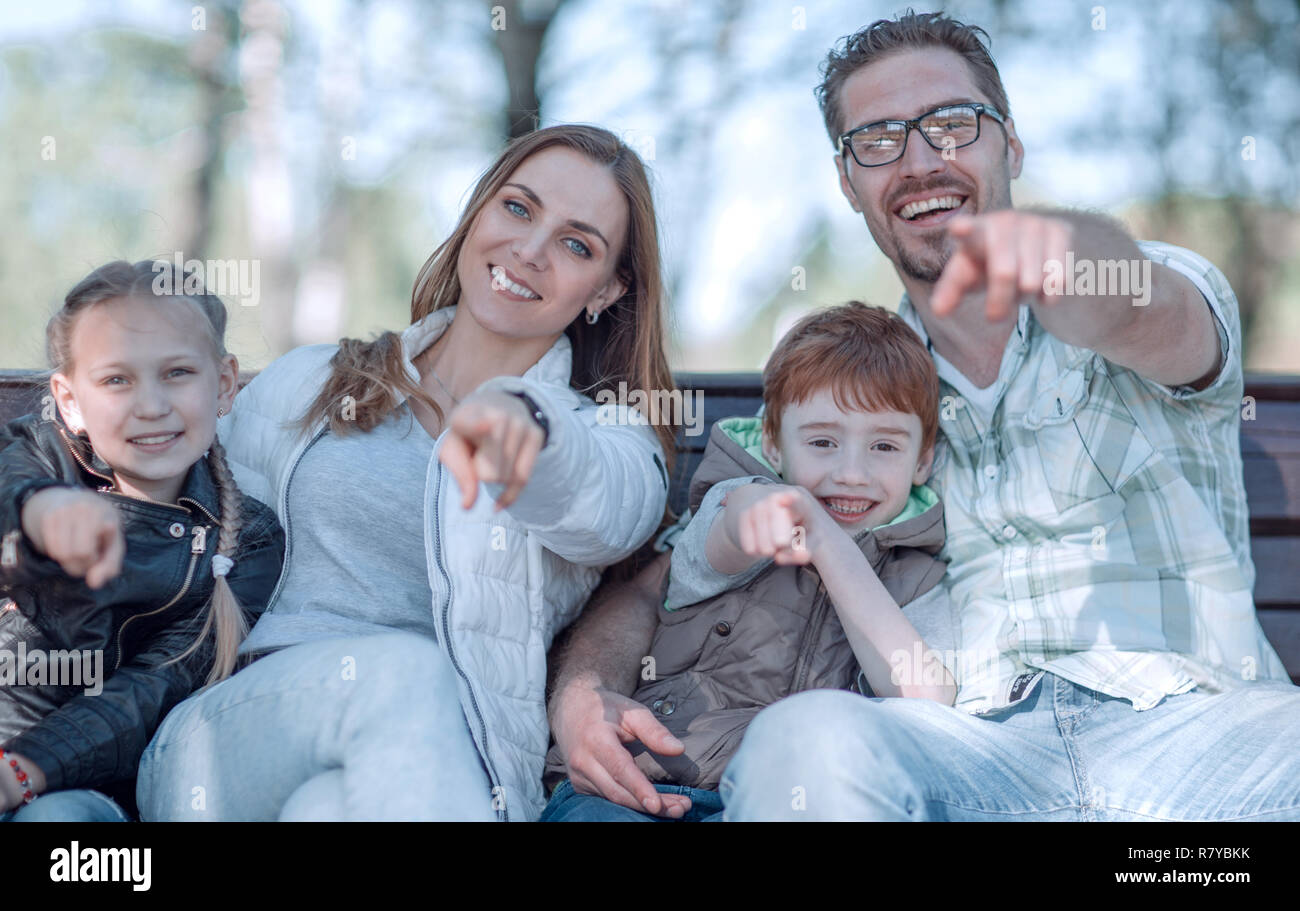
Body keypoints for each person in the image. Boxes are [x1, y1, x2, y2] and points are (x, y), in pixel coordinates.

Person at [546, 11, 1300, 822]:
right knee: (808, 740)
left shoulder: (1140, 288)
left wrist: (1068, 263)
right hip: (966, 752)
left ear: (1010, 147)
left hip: (1205, 733)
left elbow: (1150, 315)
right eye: (877, 140)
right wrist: (586, 687)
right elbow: (670, 574)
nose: (918, 160)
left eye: (951, 124)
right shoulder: (851, 382)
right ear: (848, 182)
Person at [136, 124, 674, 822]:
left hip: (439, 775)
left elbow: (605, 505)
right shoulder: (314, 381)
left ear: (607, 289)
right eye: (517, 208)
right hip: (230, 739)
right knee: (406, 673)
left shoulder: (609, 440)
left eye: (577, 244)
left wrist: (527, 425)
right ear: (477, 212)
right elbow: (175, 502)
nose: (531, 250)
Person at [541, 302, 960, 821]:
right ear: (773, 445)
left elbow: (926, 697)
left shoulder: (917, 573)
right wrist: (750, 512)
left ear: (922, 461)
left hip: (773, 798)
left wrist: (828, 543)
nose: (852, 473)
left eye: (883, 446)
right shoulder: (752, 506)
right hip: (643, 775)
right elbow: (719, 540)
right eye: (823, 441)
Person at [0, 260, 284, 821]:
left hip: (68, 784)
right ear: (70, 401)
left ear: (224, 383)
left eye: (177, 372)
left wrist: (19, 772)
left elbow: (149, 691)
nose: (151, 406)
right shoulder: (35, 460)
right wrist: (44, 510)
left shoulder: (248, 541)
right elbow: (12, 493)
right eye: (116, 380)